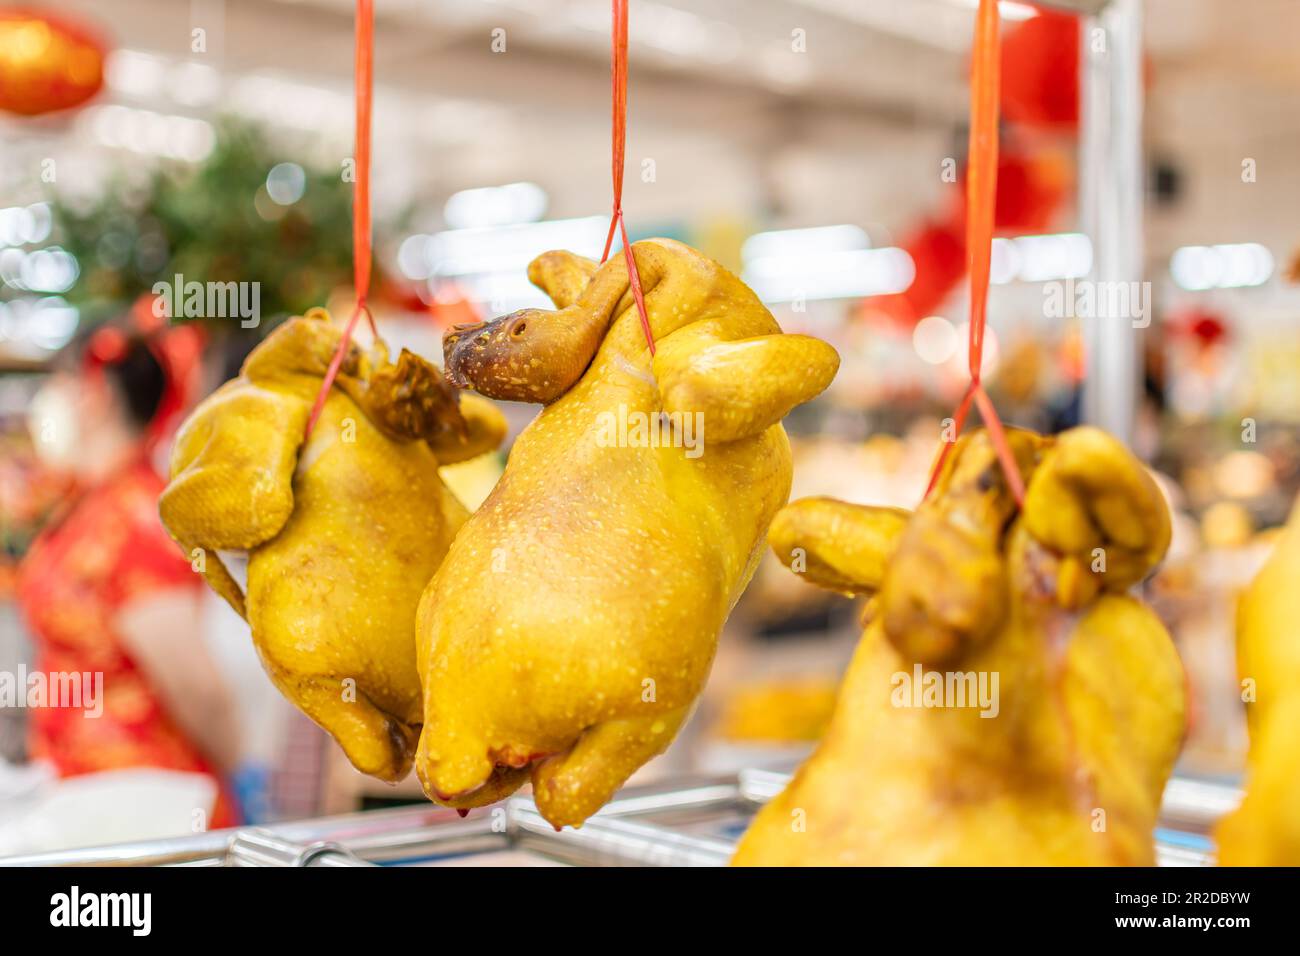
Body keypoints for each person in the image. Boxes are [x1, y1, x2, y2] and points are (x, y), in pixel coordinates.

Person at [17, 324, 242, 829]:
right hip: (89, 806)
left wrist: (235, 762)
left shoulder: (137, 519)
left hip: (148, 814)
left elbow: (194, 685)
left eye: (59, 382)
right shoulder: (89, 505)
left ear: (93, 395)